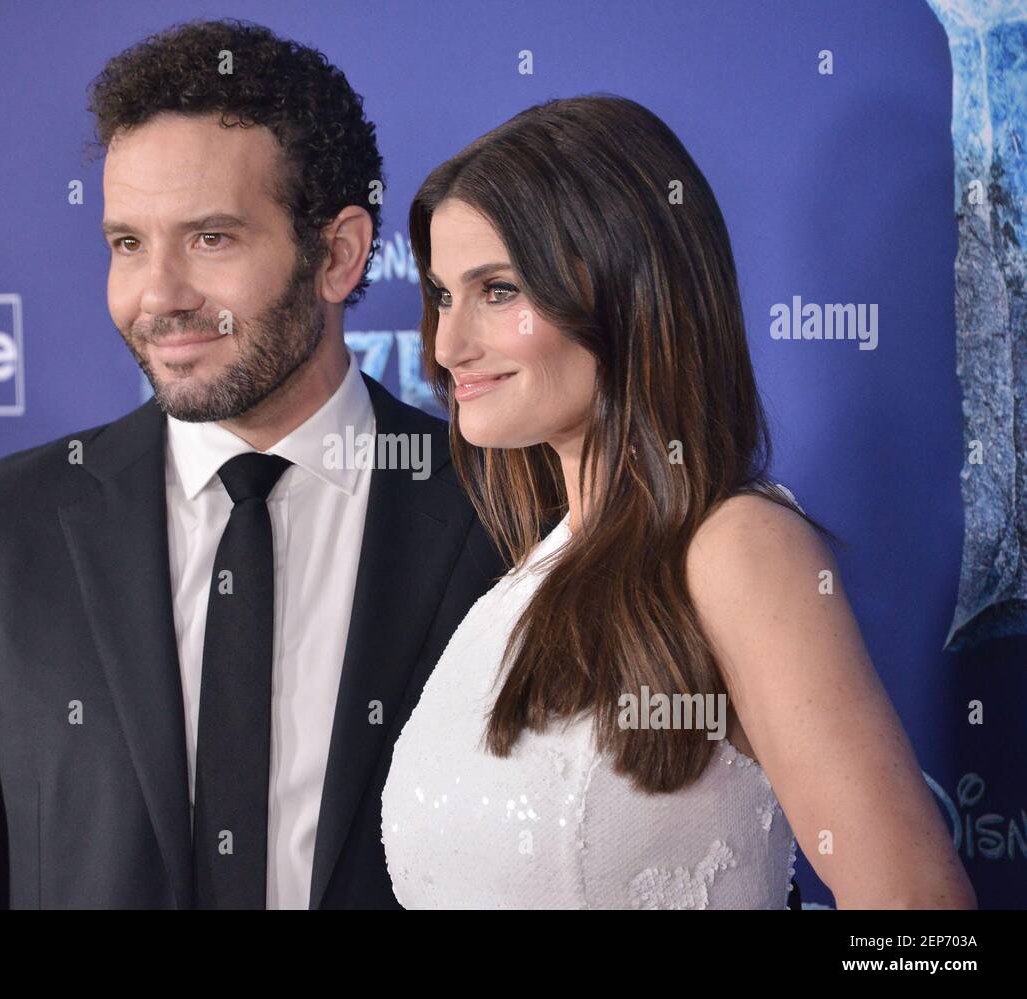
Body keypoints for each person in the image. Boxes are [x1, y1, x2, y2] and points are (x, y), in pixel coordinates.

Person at [0, 19, 505, 910]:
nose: (156, 296)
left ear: (339, 254)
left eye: (209, 239)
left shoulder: (504, 506)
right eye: (127, 243)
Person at [381, 94, 977, 909]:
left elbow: (918, 913)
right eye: (444, 295)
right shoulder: (514, 586)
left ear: (626, 286)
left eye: (497, 289)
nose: (447, 345)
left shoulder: (736, 548)